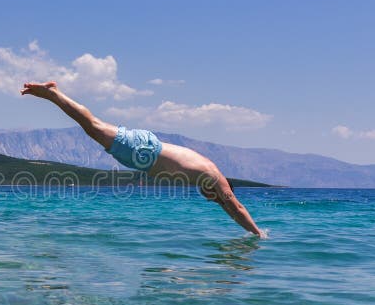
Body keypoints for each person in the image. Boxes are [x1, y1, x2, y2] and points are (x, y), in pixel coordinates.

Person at [21, 81, 264, 236]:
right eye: (216, 199)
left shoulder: (210, 175)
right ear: (223, 190)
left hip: (143, 152)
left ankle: (54, 95)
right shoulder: (215, 179)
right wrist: (258, 234)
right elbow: (236, 207)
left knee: (93, 128)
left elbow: (228, 208)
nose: (211, 200)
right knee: (93, 126)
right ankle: (53, 94)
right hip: (143, 151)